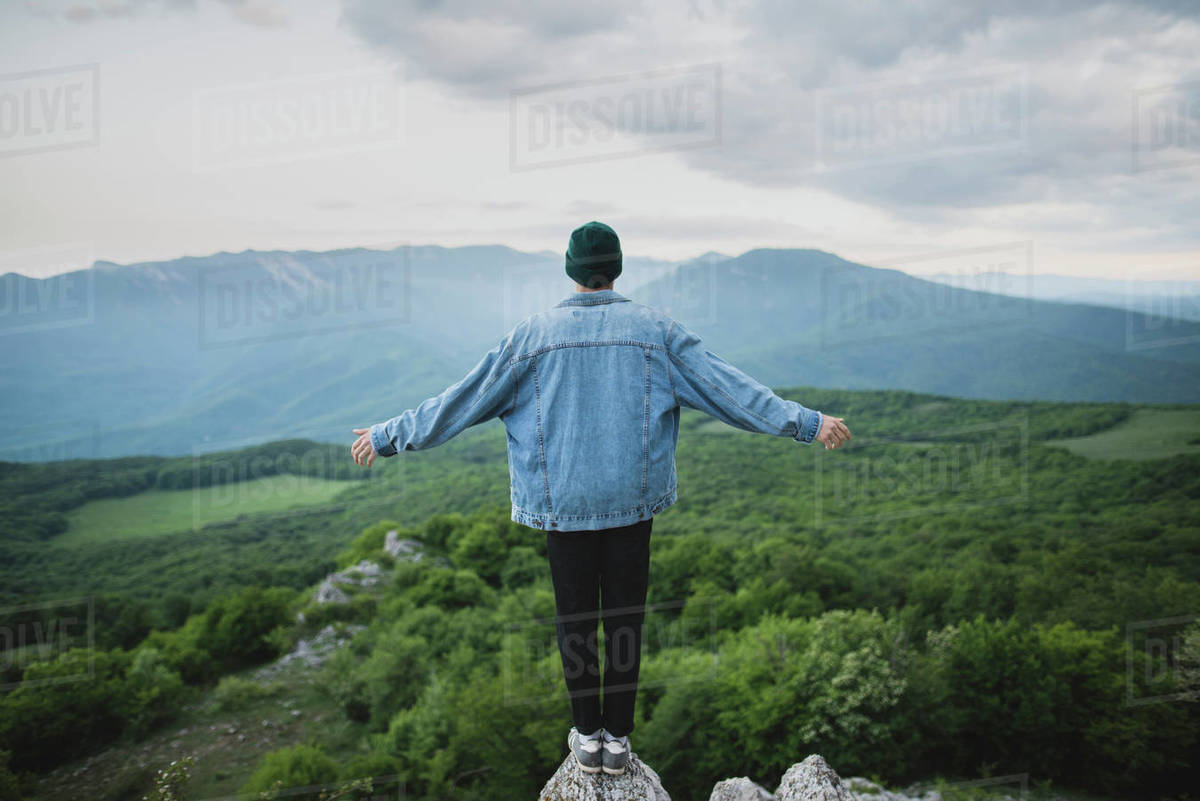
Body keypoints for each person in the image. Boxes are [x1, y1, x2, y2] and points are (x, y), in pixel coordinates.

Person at [350, 221, 851, 777]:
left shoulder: (532, 336)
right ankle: (619, 740)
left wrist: (388, 435)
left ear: (570, 269)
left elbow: (461, 401)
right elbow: (731, 390)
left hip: (561, 504)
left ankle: (587, 736)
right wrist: (806, 423)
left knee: (576, 620)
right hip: (631, 502)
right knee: (625, 618)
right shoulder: (655, 330)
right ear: (616, 268)